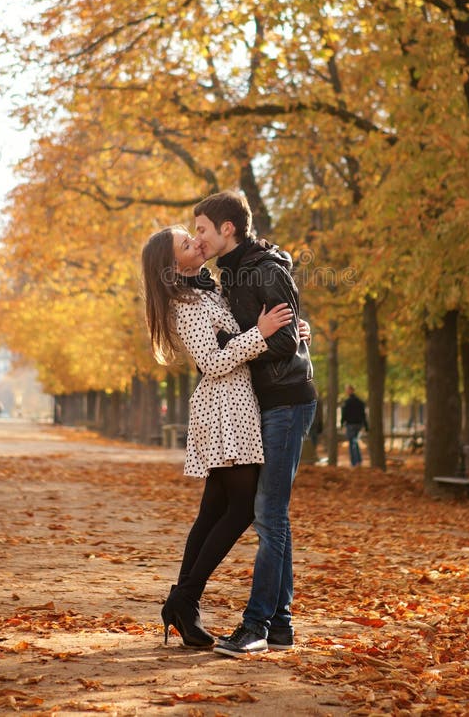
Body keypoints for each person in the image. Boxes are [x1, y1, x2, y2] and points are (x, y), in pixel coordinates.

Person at [141, 225, 294, 649]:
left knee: (213, 510)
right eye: (186, 244)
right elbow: (211, 361)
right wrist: (261, 334)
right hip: (225, 408)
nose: (196, 243)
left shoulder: (207, 290)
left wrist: (284, 335)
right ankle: (184, 600)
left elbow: (240, 330)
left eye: (194, 236)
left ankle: (182, 606)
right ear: (174, 266)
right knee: (242, 507)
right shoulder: (184, 304)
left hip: (234, 403)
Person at [193, 190, 317, 657]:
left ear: (228, 229)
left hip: (288, 401)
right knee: (272, 517)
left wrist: (250, 336)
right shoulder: (233, 274)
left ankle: (257, 624)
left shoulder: (265, 268)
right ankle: (281, 624)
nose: (198, 238)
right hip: (267, 402)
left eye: (203, 229)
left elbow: (285, 338)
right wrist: (242, 335)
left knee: (268, 515)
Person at [340, 385, 368, 467]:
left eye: (347, 390)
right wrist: (366, 426)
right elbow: (364, 415)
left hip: (351, 425)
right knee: (355, 442)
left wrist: (342, 423)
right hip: (358, 425)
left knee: (353, 443)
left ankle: (354, 462)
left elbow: (344, 414)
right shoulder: (360, 402)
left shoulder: (347, 402)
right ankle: (358, 460)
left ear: (350, 390)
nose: (346, 391)